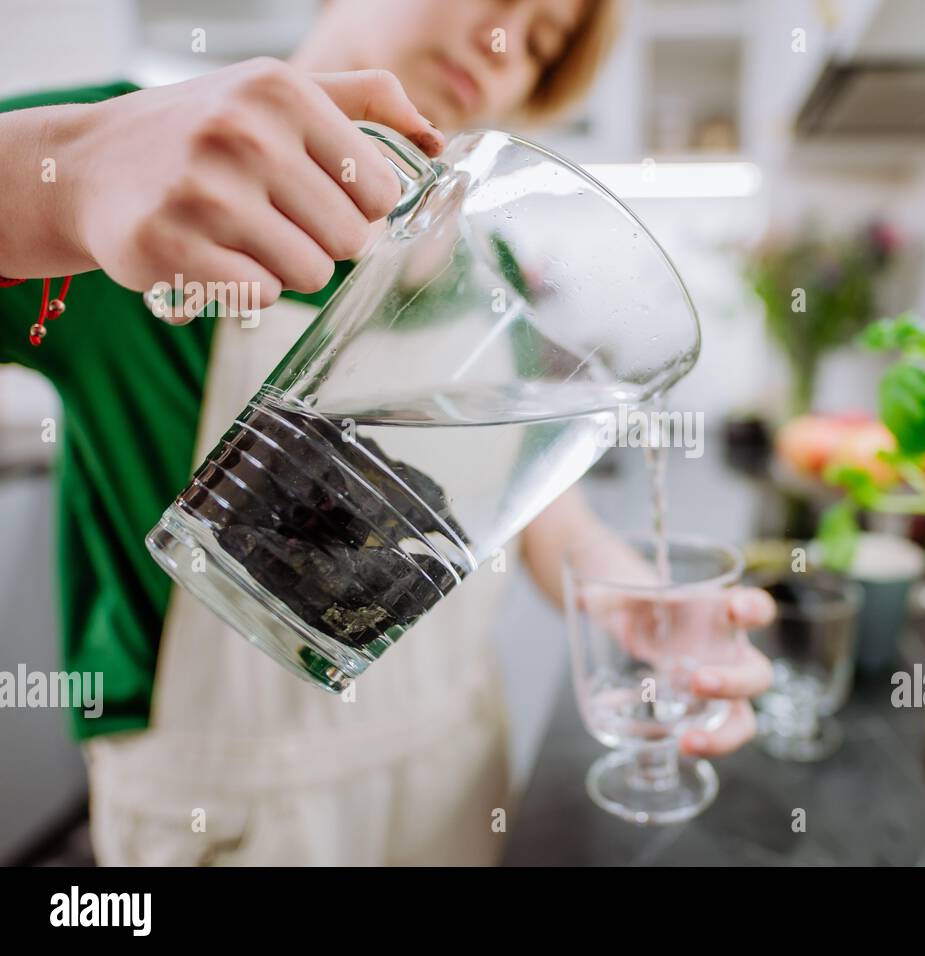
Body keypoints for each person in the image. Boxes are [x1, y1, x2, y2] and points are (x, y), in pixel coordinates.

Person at [0, 0, 774, 865]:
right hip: (230, 805)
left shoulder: (496, 269)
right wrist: (51, 180)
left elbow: (524, 500)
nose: (504, 42)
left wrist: (636, 603)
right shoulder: (146, 174)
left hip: (452, 772)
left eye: (543, 41)